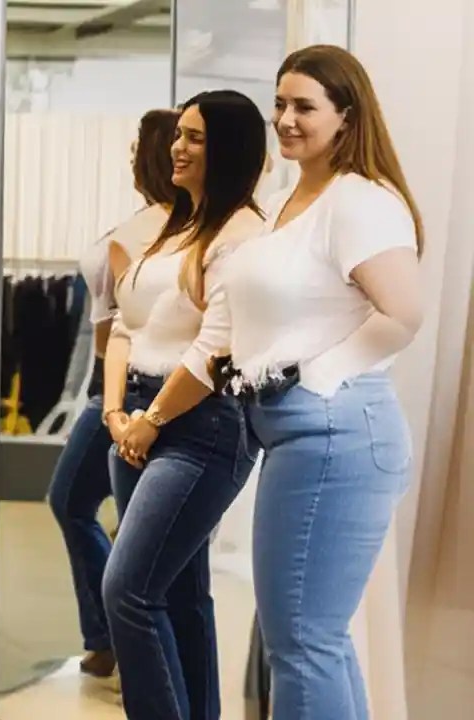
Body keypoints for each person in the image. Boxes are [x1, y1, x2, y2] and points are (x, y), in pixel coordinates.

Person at [222, 45, 423, 719]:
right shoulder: (283, 202)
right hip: (294, 431)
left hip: (333, 430)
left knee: (304, 644)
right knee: (314, 644)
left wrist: (316, 379)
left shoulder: (360, 202)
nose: (284, 119)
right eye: (279, 103)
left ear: (346, 117)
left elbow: (402, 313)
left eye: (304, 106)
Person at [99, 89, 268, 719]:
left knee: (128, 592)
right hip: (137, 416)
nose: (178, 146)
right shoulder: (179, 224)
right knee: (181, 595)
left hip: (199, 427)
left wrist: (152, 420)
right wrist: (116, 411)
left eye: (195, 138)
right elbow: (125, 325)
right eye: (180, 134)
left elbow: (216, 348)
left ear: (227, 150)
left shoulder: (245, 234)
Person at [47, 107, 179, 679]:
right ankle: (111, 639)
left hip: (128, 390)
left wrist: (112, 401)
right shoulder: (152, 225)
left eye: (136, 148)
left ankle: (121, 642)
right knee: (109, 517)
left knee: (94, 511)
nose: (131, 159)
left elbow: (118, 330)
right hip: (121, 385)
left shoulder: (157, 230)